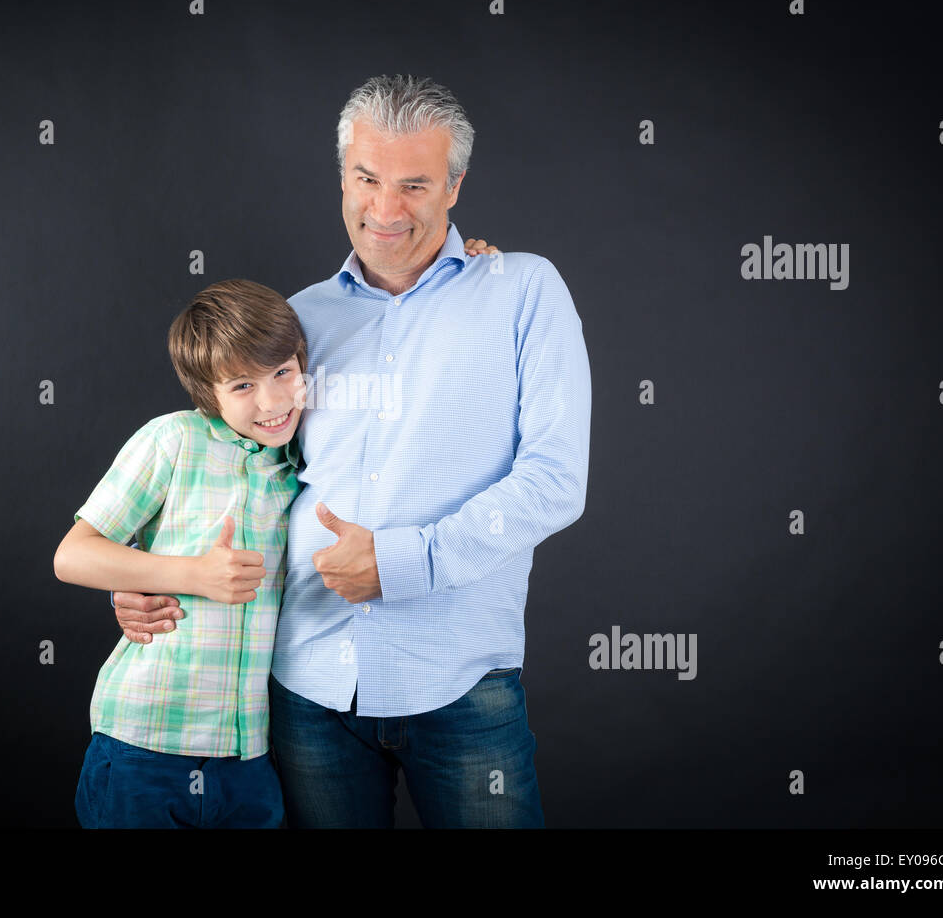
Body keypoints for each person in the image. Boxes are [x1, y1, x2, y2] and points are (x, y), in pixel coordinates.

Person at [115, 71, 588, 830]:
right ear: (343, 176)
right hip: (304, 688)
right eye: (367, 178)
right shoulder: (296, 321)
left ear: (455, 187)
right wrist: (152, 578)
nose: (386, 208)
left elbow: (554, 480)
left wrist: (400, 563)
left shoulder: (521, 292)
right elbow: (237, 470)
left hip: (460, 685)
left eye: (415, 184)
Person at [53, 278, 306, 828]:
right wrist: (194, 574)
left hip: (248, 755)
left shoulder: (297, 466)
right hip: (147, 743)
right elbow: (73, 556)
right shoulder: (174, 441)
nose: (272, 401)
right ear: (207, 393)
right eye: (242, 385)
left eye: (283, 372)